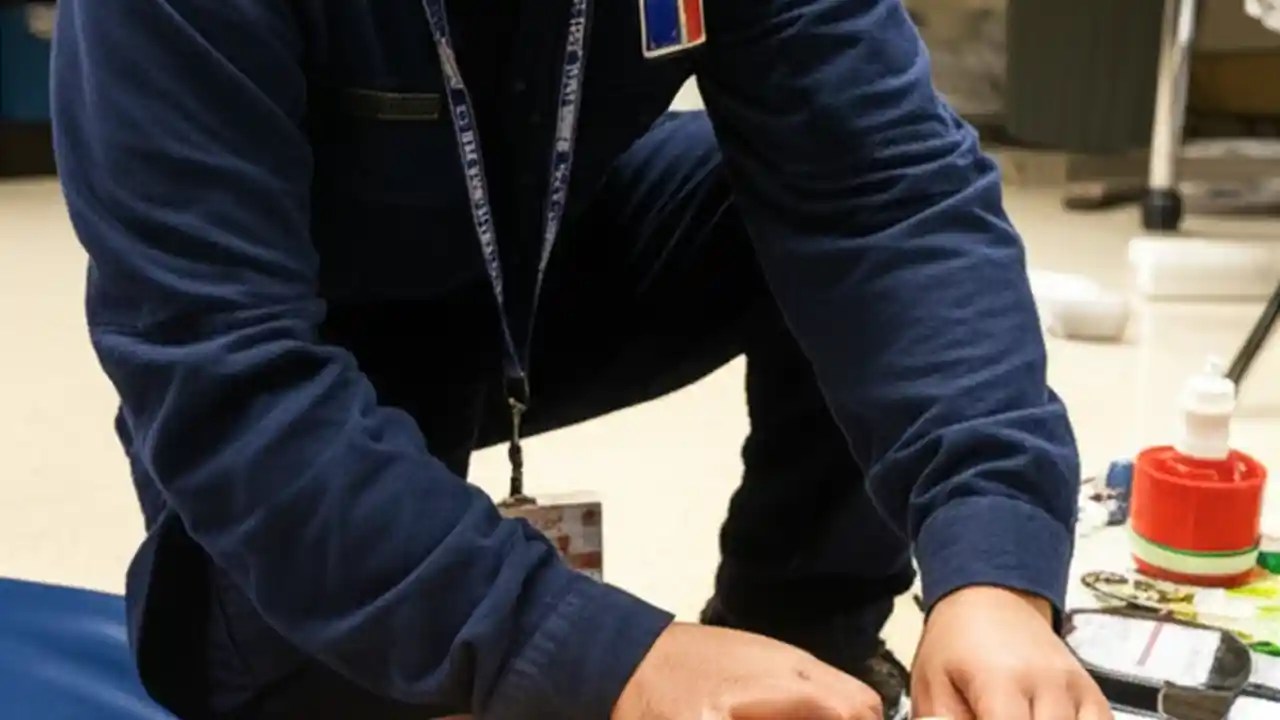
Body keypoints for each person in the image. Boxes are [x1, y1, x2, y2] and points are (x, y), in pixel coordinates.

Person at [52, 0, 1112, 718]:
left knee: (787, 212)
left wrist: (993, 565)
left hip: (539, 250)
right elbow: (223, 372)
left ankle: (804, 639)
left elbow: (884, 198)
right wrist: (598, 658)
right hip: (304, 339)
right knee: (296, 658)